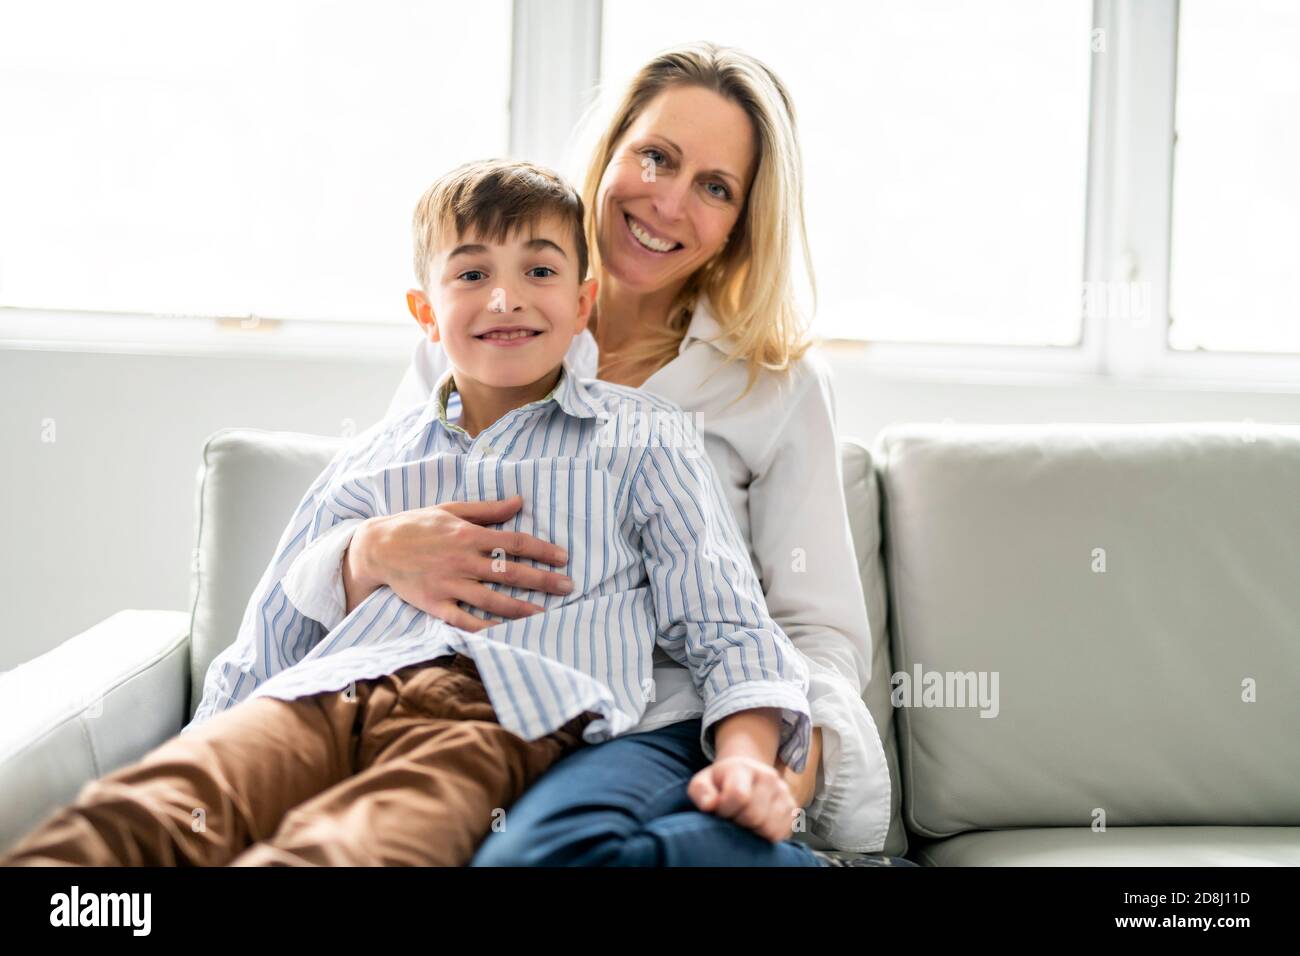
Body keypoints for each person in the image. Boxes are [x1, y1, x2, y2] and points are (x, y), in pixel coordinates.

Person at [0, 158, 812, 867]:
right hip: (321, 696)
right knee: (134, 817)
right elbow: (271, 629)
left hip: (494, 715)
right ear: (426, 311)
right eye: (468, 274)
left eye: (538, 271)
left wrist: (748, 759)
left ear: (581, 302)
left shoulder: (647, 441)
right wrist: (212, 739)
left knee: (348, 851)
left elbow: (728, 626)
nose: (505, 297)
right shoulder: (371, 456)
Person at [290, 42, 904, 866]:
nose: (668, 203)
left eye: (715, 188)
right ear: (608, 153)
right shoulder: (476, 329)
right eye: (656, 156)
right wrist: (369, 552)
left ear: (738, 226)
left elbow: (814, 629)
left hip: (669, 720)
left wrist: (767, 766)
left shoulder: (774, 386)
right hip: (487, 704)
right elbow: (374, 512)